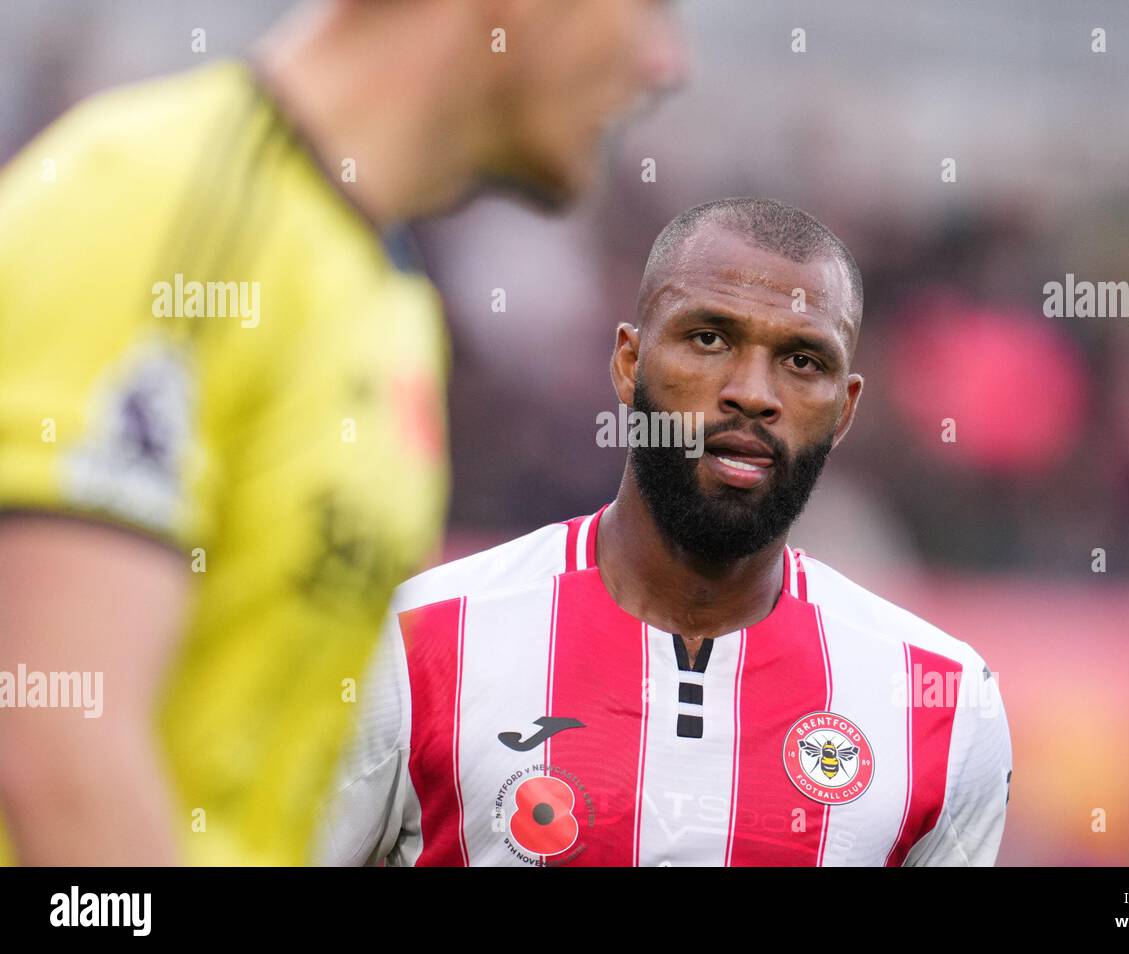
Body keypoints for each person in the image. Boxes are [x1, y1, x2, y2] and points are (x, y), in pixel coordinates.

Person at [0, 0, 686, 865]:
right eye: (654, 8)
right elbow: (59, 755)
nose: (667, 63)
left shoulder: (384, 295)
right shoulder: (165, 203)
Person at [315, 198, 1013, 866]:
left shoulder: (942, 703)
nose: (753, 393)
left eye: (803, 361)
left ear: (845, 410)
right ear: (629, 363)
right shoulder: (414, 646)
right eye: (708, 339)